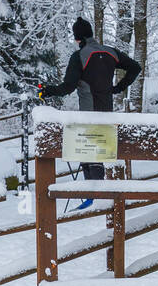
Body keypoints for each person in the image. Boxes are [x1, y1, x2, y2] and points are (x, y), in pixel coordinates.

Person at [40, 18, 142, 203]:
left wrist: (47, 91)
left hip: (88, 112)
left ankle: (94, 199)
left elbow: (68, 87)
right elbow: (135, 67)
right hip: (106, 112)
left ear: (78, 38)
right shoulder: (110, 52)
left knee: (89, 154)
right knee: (97, 154)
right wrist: (118, 88)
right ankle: (93, 199)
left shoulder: (79, 56)